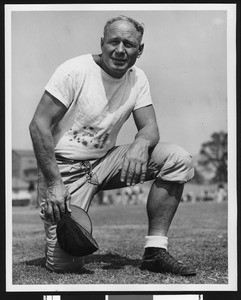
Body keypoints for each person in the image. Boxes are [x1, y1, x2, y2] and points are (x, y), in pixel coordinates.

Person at [29, 15, 196, 276]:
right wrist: (53, 184)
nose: (120, 50)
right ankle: (62, 231)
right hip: (64, 171)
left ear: (139, 50)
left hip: (105, 162)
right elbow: (38, 124)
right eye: (113, 41)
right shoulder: (74, 70)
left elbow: (150, 127)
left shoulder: (137, 78)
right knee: (65, 266)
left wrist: (141, 143)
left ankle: (155, 252)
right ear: (102, 43)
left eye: (129, 44)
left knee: (177, 158)